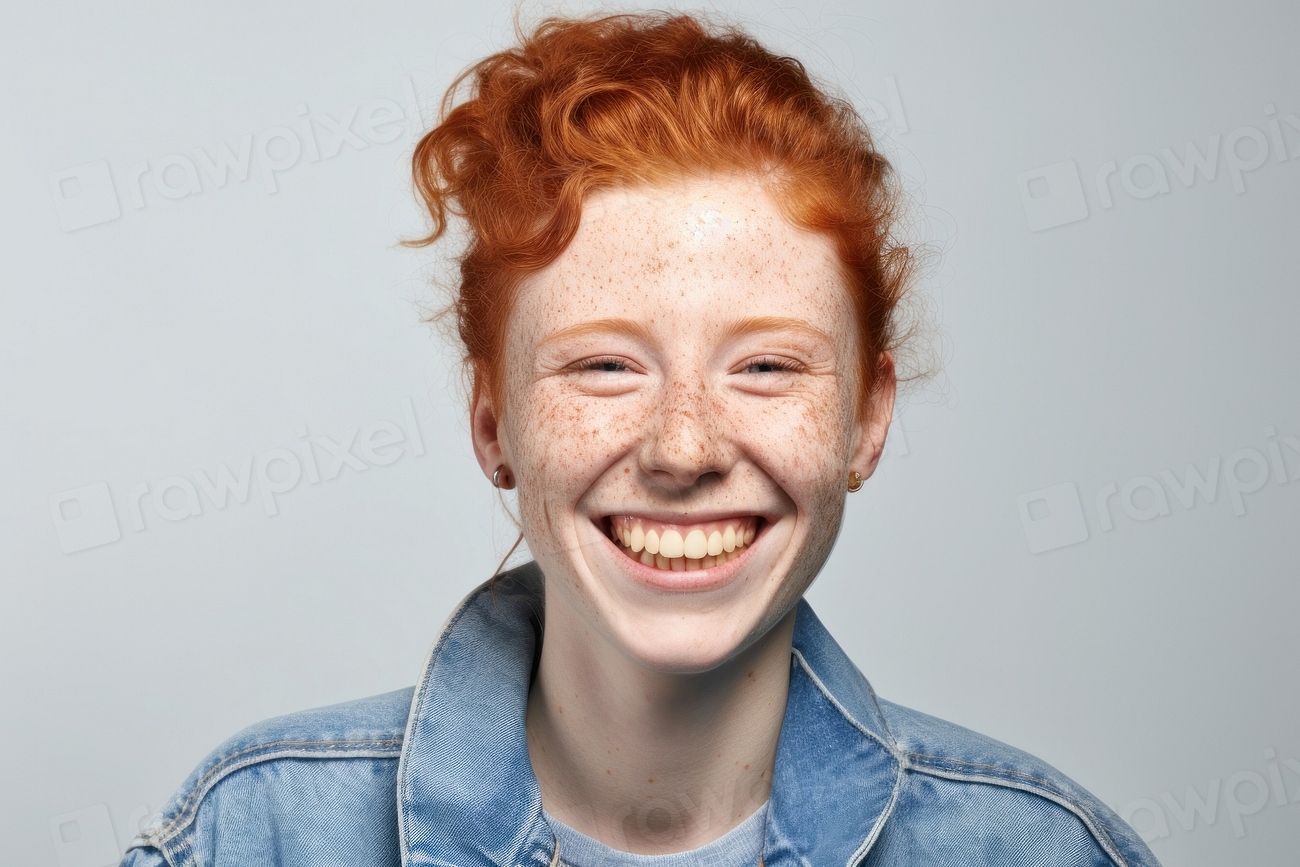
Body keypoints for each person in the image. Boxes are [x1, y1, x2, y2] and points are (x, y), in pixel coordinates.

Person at [122, 13, 1159, 867]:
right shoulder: (251, 839)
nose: (682, 447)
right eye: (604, 365)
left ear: (866, 419)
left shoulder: (1038, 851)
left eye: (765, 366)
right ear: (493, 426)